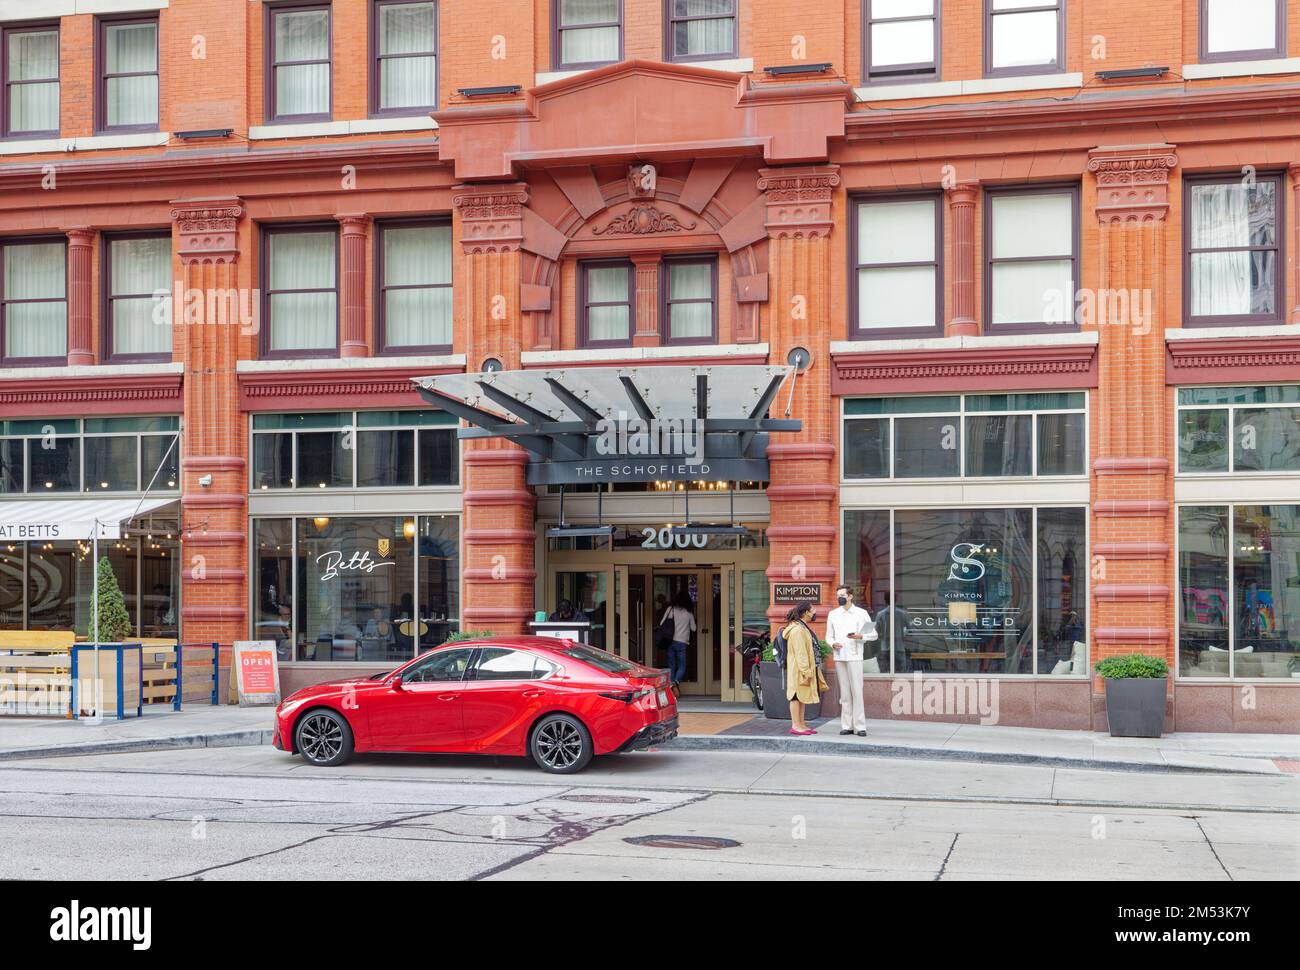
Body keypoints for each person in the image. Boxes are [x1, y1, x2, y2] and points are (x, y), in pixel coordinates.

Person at [826, 583, 874, 737]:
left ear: (850, 596)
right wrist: (833, 644)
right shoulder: (833, 614)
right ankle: (847, 725)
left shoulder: (861, 613)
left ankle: (860, 726)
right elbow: (828, 635)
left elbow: (873, 634)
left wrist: (861, 636)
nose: (840, 598)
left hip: (855, 656)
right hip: (840, 656)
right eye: (838, 596)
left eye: (842, 596)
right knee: (845, 693)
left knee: (857, 691)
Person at [783, 601, 826, 736]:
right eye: (813, 610)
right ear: (806, 612)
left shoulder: (802, 627)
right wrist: (806, 671)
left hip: (802, 669)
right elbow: (800, 653)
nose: (814, 613)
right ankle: (796, 725)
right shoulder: (797, 630)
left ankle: (801, 724)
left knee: (802, 697)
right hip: (799, 671)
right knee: (795, 697)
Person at [660, 593, 696, 696]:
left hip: (670, 641)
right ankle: (675, 682)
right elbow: (694, 628)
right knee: (682, 666)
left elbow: (661, 623)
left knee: (671, 665)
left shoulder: (671, 609)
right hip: (682, 642)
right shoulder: (688, 613)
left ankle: (672, 689)